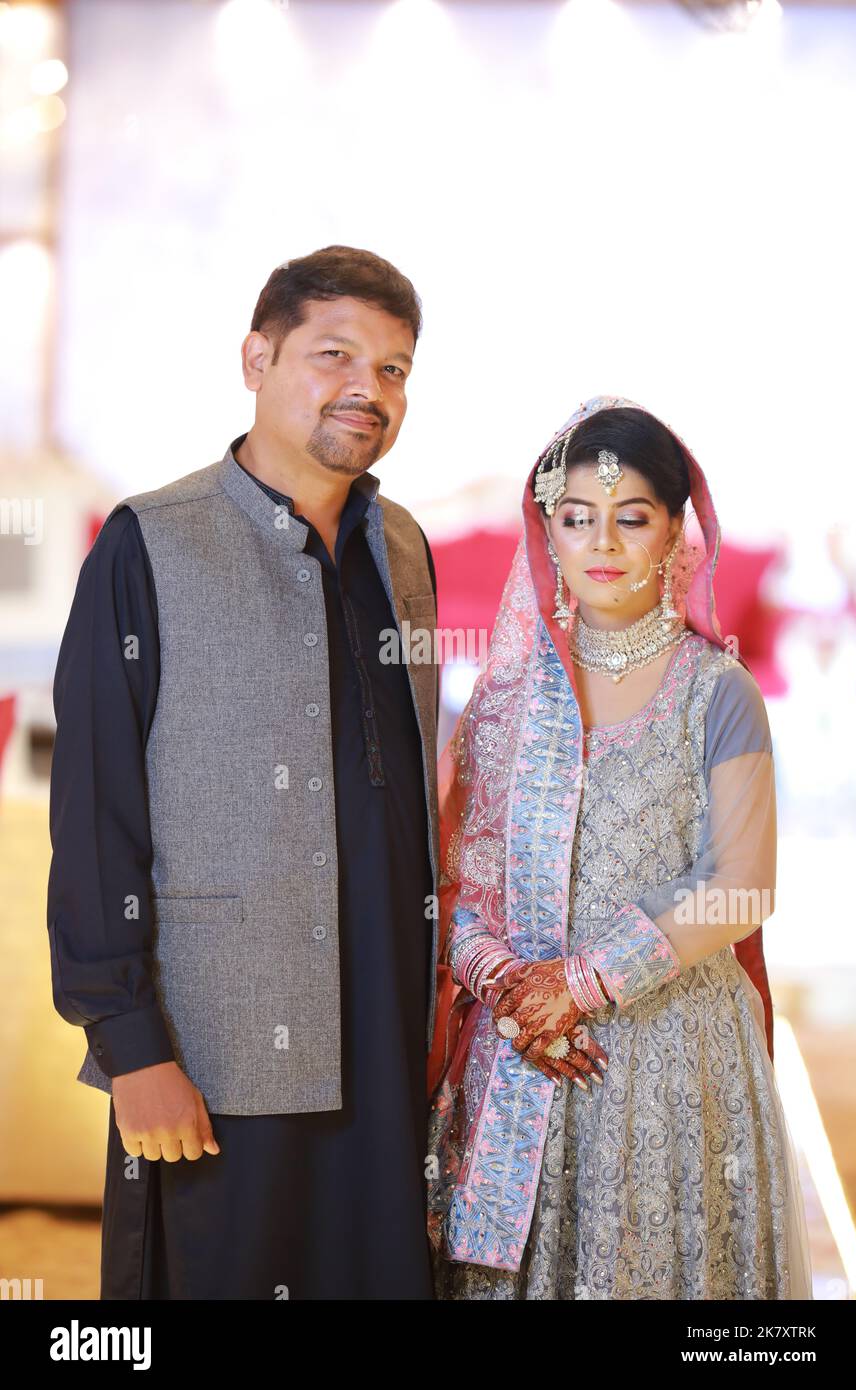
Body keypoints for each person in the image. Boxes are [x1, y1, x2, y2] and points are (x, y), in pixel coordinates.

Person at [47, 246, 440, 1299]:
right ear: (255, 358)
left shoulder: (402, 548)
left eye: (395, 368)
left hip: (387, 1046)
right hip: (217, 1051)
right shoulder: (148, 546)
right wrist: (131, 1046)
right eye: (335, 355)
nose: (369, 387)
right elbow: (94, 821)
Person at [427, 394, 812, 1299]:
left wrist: (582, 982)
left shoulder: (716, 692)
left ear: (675, 533)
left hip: (674, 1062)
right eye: (577, 519)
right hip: (522, 1057)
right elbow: (458, 887)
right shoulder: (507, 697)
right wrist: (510, 991)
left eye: (630, 518)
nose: (601, 544)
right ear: (547, 532)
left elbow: (742, 886)